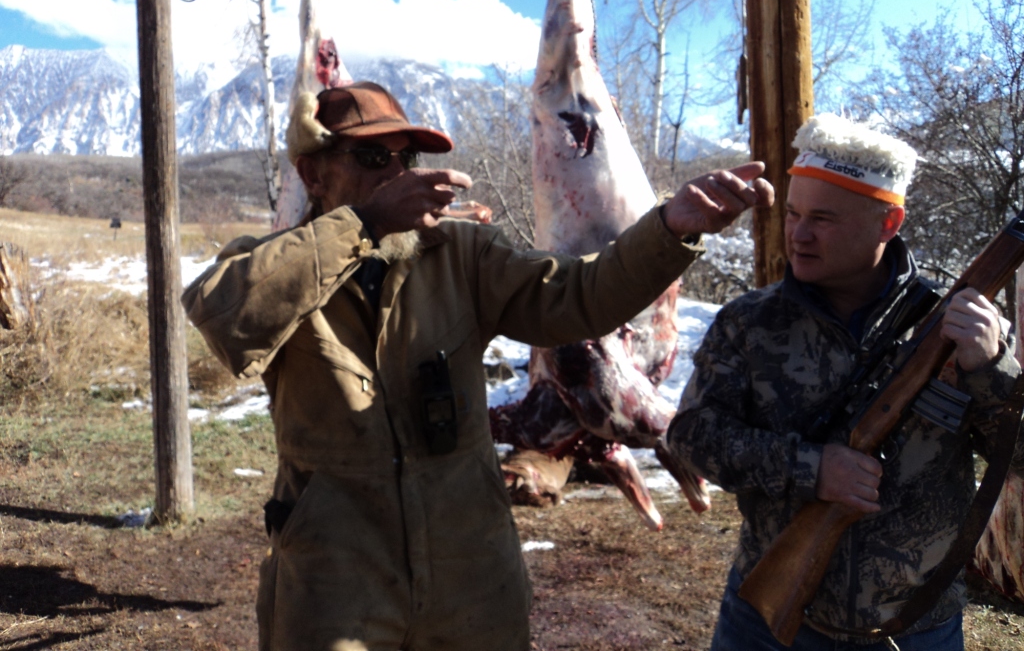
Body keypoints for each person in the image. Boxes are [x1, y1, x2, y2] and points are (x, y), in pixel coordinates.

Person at [182, 81, 774, 651]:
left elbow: (581, 295)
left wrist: (670, 229)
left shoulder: (460, 254)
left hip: (470, 568)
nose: (395, 173)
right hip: (333, 572)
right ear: (313, 172)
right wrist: (365, 225)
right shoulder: (273, 265)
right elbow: (229, 318)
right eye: (370, 156)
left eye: (404, 157)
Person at [664, 113, 1024, 651]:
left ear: (889, 223)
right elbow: (691, 437)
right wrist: (811, 469)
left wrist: (993, 369)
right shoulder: (750, 321)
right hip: (762, 621)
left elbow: (1017, 462)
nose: (798, 234)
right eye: (792, 213)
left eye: (823, 219)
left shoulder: (960, 332)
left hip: (912, 629)